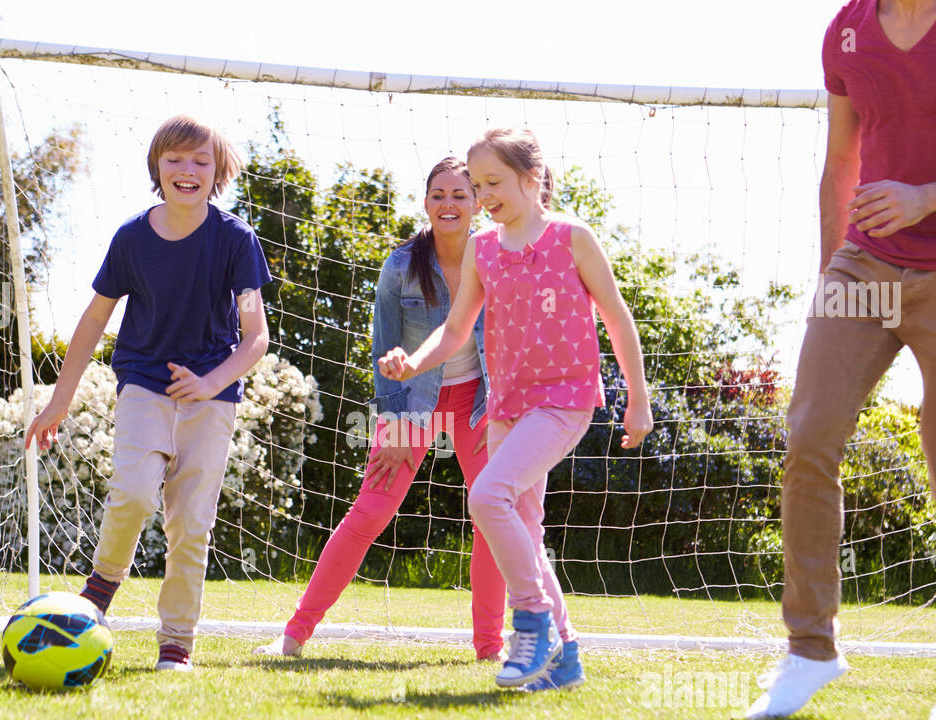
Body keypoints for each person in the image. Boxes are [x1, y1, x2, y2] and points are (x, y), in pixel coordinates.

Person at [748, 0, 936, 720]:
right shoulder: (846, 30)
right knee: (811, 437)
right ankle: (810, 648)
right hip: (863, 271)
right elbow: (842, 164)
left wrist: (927, 199)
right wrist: (831, 278)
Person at [379, 128, 653, 691]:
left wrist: (638, 399)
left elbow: (618, 318)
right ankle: (566, 656)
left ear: (532, 179)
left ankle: (530, 625)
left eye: (493, 182)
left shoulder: (571, 237)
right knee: (525, 528)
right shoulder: (483, 249)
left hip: (564, 401)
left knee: (487, 495)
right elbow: (455, 331)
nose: (483, 195)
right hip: (506, 406)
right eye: (477, 185)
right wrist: (414, 363)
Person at [24, 113, 273, 673]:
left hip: (211, 397)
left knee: (191, 523)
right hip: (144, 384)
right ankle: (101, 589)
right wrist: (60, 398)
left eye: (200, 161)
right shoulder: (132, 238)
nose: (188, 170)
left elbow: (255, 336)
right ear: (157, 167)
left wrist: (210, 383)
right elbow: (92, 321)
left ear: (218, 172)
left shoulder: (236, 239)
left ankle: (176, 642)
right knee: (134, 493)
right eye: (175, 159)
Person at [255, 158, 508, 660]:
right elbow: (383, 351)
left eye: (460, 195)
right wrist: (392, 424)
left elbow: (511, 341)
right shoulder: (400, 267)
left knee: (493, 517)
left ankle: (489, 647)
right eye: (438, 195)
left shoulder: (498, 258)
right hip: (413, 405)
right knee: (369, 511)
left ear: (478, 202)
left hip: (480, 406)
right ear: (426, 202)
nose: (449, 204)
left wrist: (500, 411)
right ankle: (294, 635)